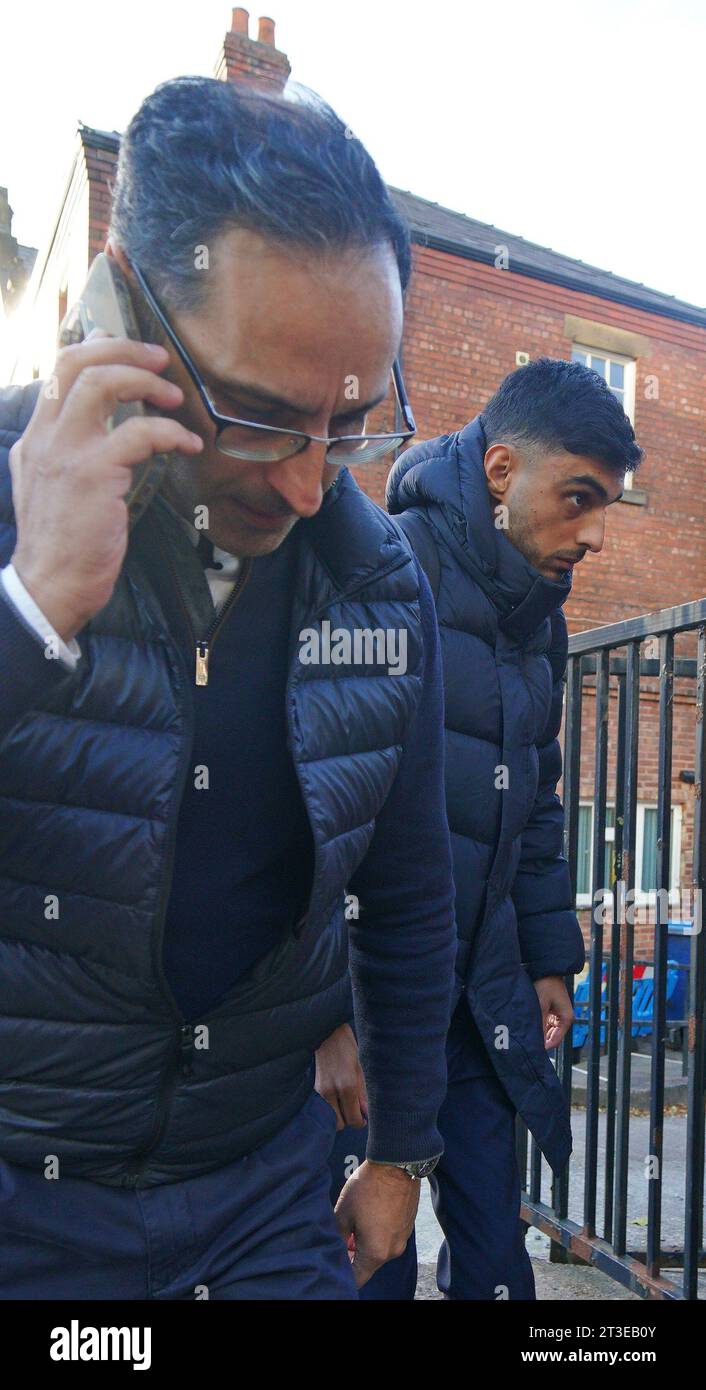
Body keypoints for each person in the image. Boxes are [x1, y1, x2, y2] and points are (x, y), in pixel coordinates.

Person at [0, 77, 456, 1300]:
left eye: (349, 425)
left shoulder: (379, 585)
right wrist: (31, 606)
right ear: (117, 307)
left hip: (263, 1191)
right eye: (253, 416)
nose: (308, 486)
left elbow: (408, 894)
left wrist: (401, 1152)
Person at [330, 356, 643, 1299]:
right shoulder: (381, 568)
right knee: (367, 1262)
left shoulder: (536, 620)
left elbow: (537, 800)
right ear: (502, 473)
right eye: (578, 498)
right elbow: (325, 809)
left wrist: (546, 957)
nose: (595, 536)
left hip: (482, 993)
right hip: (374, 1000)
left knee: (497, 1258)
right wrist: (323, 1015)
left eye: (606, 507)